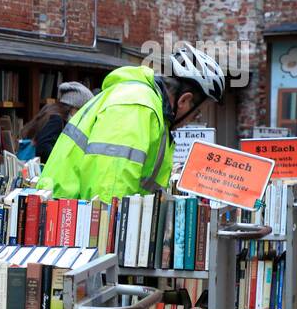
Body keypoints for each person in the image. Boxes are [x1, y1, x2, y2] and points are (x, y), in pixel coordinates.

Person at [35, 42, 227, 200]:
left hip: (71, 216)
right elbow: (110, 191)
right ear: (184, 100)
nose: (193, 120)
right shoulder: (138, 105)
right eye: (197, 114)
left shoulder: (150, 109)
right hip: (70, 221)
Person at [19, 81, 94, 162]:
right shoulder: (57, 120)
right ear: (72, 106)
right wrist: (63, 162)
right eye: (81, 110)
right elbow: (44, 147)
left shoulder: (51, 111)